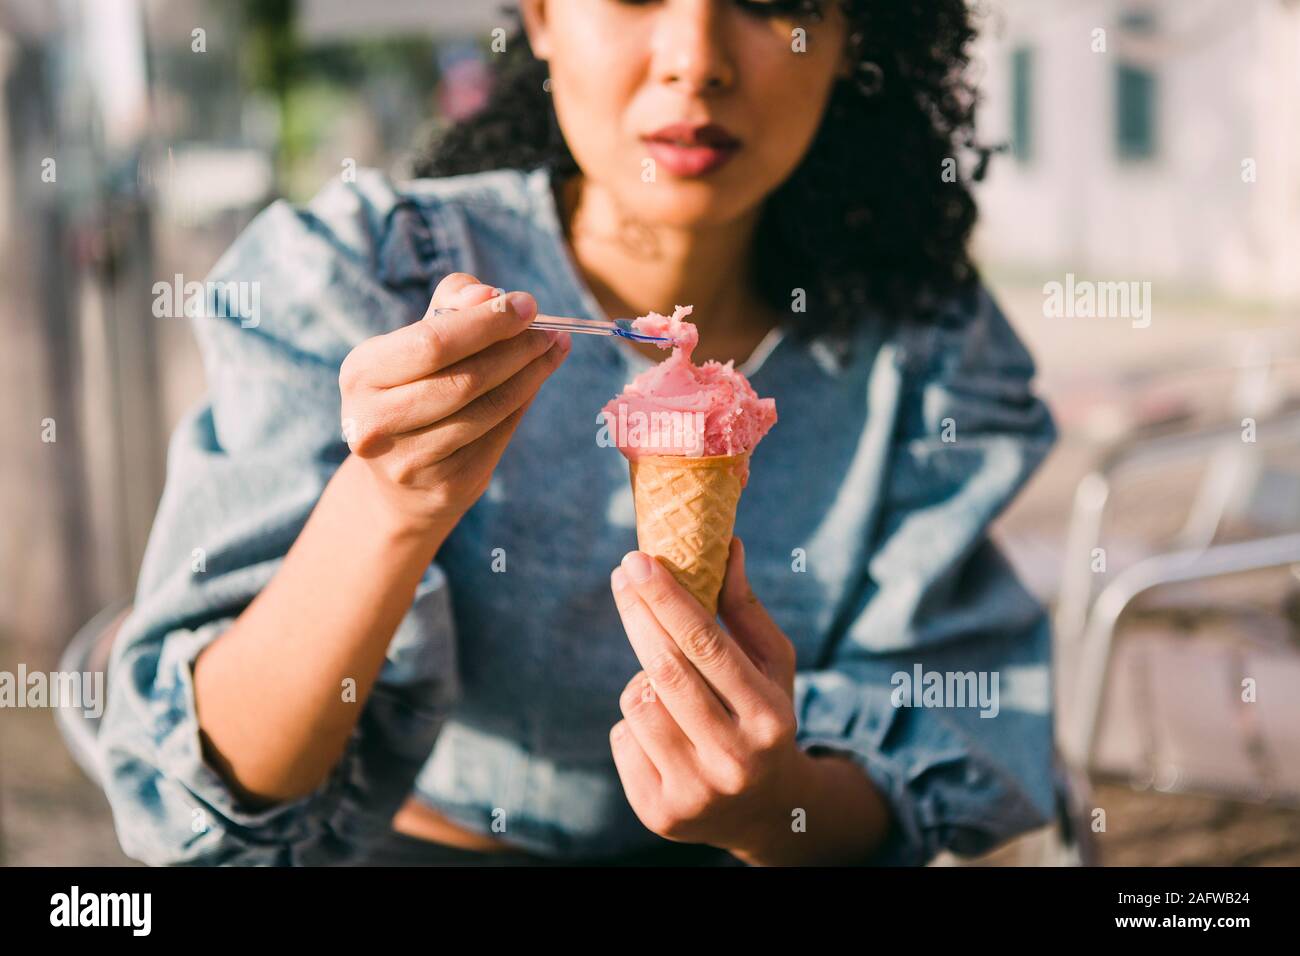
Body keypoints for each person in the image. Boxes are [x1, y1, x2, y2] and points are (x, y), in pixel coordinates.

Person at [97, 0, 1058, 866]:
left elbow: (951, 742)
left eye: (772, 2)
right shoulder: (356, 276)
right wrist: (389, 501)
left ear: (856, 38)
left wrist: (778, 811)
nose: (696, 57)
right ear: (544, 15)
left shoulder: (926, 354)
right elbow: (211, 800)